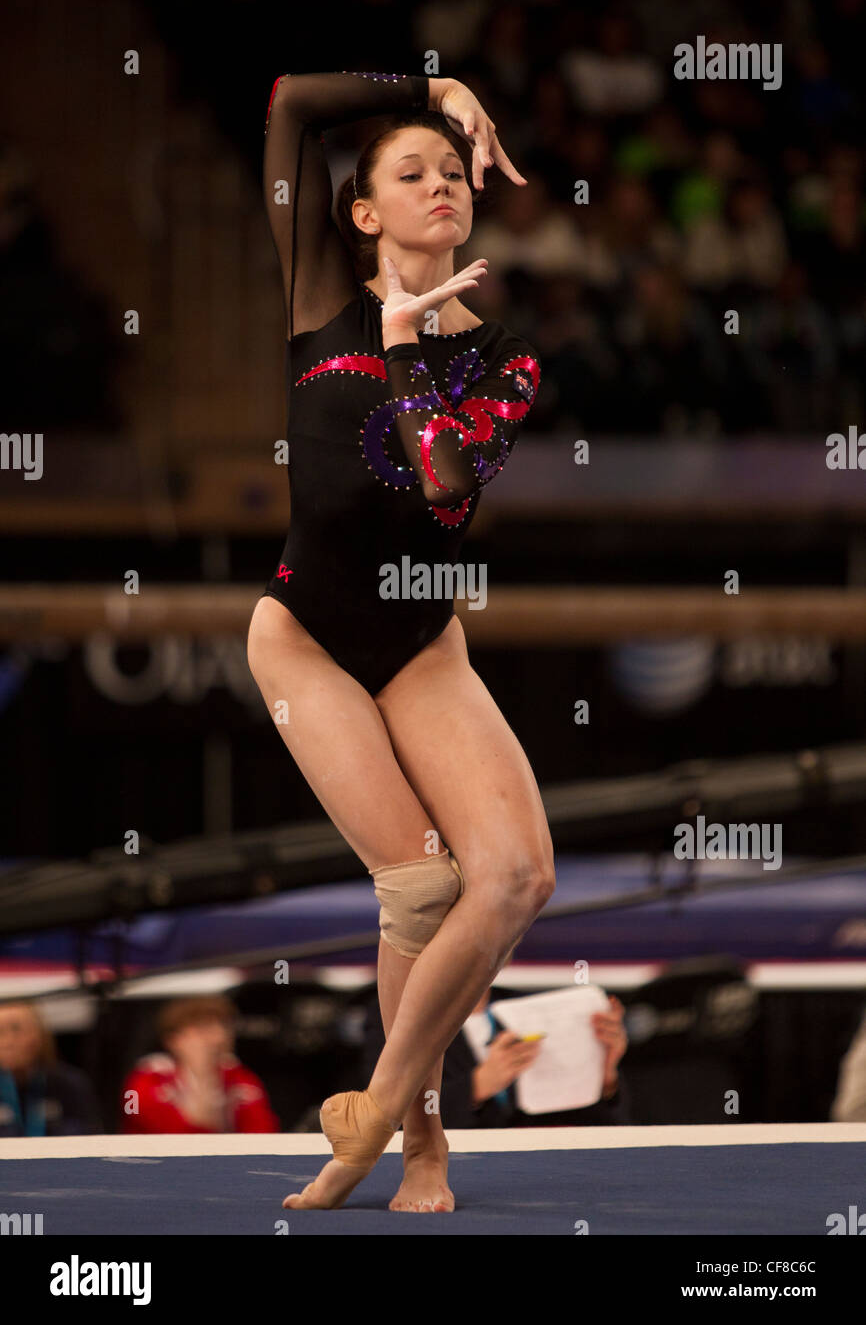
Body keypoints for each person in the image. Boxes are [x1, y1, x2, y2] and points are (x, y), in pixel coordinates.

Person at [246, 69, 554, 1211]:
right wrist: (429, 86)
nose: (439, 187)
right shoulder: (316, 290)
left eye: (449, 172)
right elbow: (288, 106)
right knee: (422, 889)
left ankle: (373, 1104)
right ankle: (415, 1147)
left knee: (517, 875)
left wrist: (412, 346)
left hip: (421, 637)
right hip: (306, 638)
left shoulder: (505, 359)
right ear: (361, 210)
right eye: (407, 174)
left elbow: (440, 495)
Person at [363, 986, 630, 1133]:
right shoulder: (396, 1014)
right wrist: (478, 1085)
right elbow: (388, 1114)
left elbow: (600, 1129)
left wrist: (604, 1073)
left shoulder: (534, 1007)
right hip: (457, 1174)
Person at [120, 995, 279, 1134]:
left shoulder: (240, 1078)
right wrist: (202, 1075)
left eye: (224, 1027)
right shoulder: (147, 1079)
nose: (219, 1038)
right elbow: (178, 1141)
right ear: (174, 1039)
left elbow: (263, 1135)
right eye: (205, 1029)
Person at [0, 1001, 102, 1136]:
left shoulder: (70, 1083)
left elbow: (93, 1137)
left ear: (39, 1035)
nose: (7, 1042)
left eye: (16, 1029)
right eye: (0, 1032)